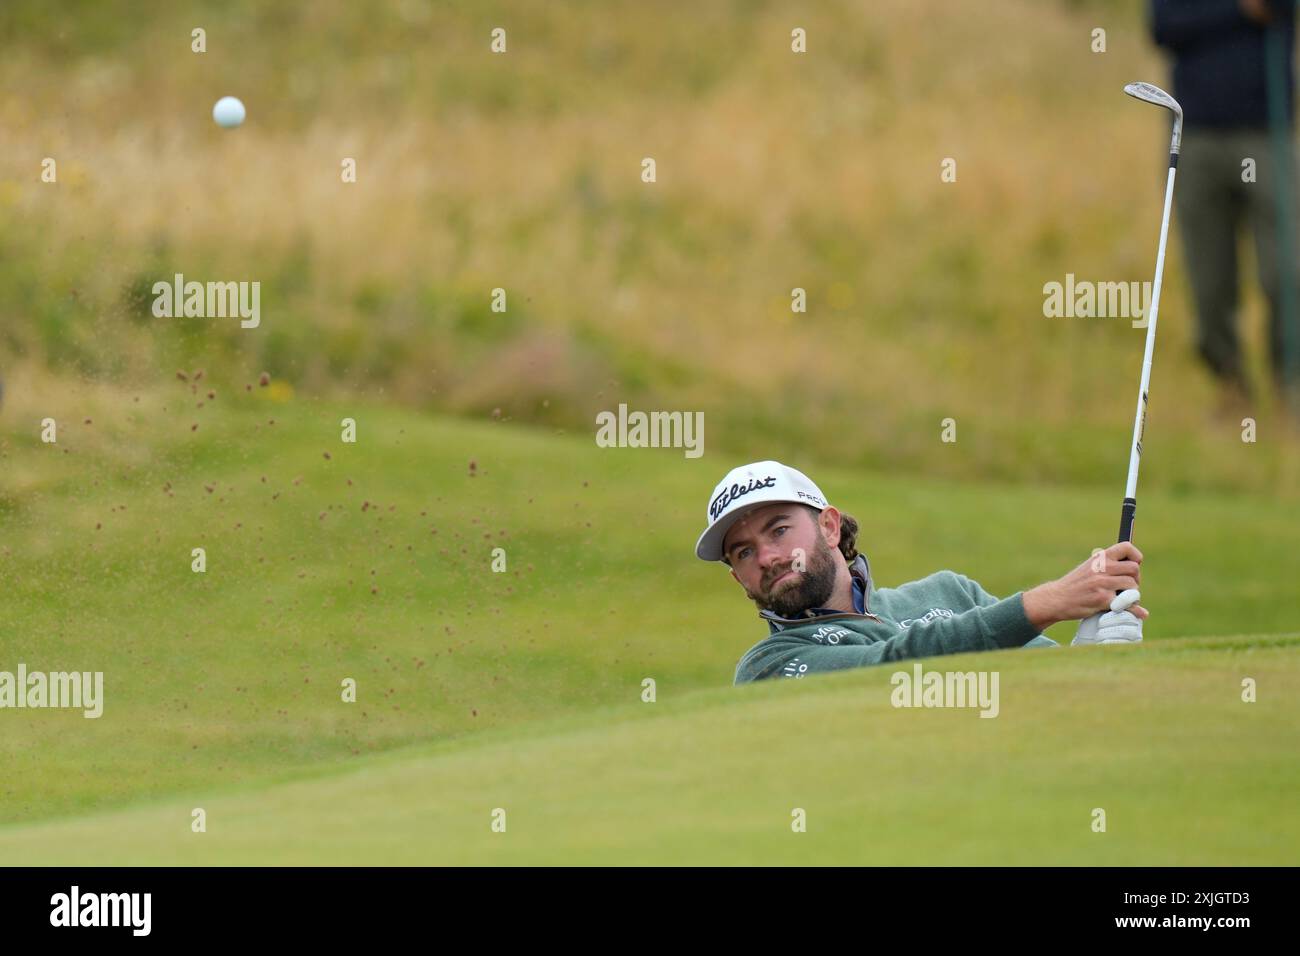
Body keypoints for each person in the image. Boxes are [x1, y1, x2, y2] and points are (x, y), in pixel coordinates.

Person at [695, 462, 1147, 685]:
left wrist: (1087, 658)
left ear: (829, 527)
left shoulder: (952, 593)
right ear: (738, 577)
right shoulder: (768, 668)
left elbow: (1045, 689)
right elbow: (885, 668)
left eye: (778, 530)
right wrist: (1048, 602)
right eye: (743, 553)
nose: (768, 558)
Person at [1150, 0, 1299, 419]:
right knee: (1210, 283)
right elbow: (1164, 25)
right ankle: (1231, 390)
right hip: (1195, 137)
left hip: (1268, 135)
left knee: (1286, 273)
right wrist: (1238, 11)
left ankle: (1290, 389)